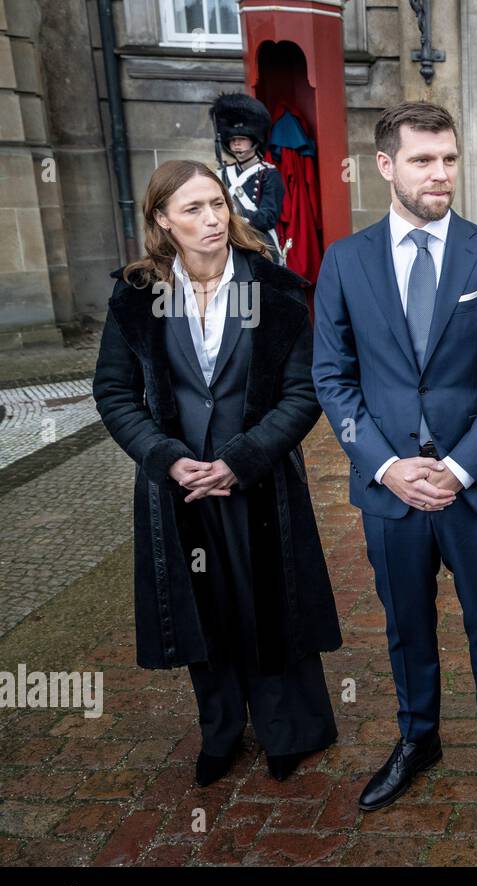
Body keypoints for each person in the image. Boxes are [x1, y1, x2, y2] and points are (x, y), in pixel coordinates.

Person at [313, 102, 477, 814]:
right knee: (405, 620)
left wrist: (460, 467)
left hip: (475, 488)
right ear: (386, 165)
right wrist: (385, 466)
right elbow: (332, 376)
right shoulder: (345, 261)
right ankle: (418, 737)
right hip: (389, 491)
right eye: (423, 160)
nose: (440, 174)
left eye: (448, 159)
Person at [93, 159, 340, 787]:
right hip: (178, 486)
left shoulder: (276, 288)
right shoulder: (136, 295)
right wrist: (167, 459)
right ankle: (222, 729)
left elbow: (303, 391)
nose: (211, 220)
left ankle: (290, 729)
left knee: (271, 599)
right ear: (161, 222)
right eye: (192, 210)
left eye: (217, 205)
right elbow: (115, 394)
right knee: (203, 607)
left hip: (257, 477)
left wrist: (241, 459)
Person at [210, 93, 288, 266]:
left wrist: (236, 215)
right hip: (229, 241)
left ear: (254, 140)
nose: (236, 144)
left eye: (242, 139)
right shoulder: (222, 174)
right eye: (233, 140)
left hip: (259, 241)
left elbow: (268, 217)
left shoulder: (269, 174)